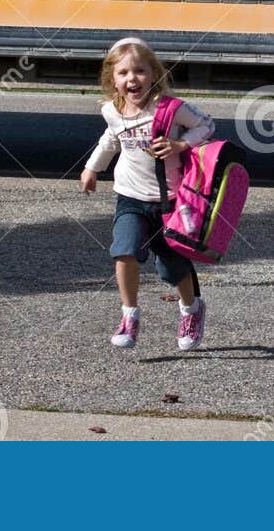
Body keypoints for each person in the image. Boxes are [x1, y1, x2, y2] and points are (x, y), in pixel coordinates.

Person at [80, 36, 216, 351]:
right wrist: (91, 169)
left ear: (153, 73)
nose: (132, 79)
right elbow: (109, 141)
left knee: (171, 269)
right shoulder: (112, 112)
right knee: (124, 250)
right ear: (112, 79)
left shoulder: (171, 108)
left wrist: (181, 144)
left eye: (139, 71)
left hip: (170, 201)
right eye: (124, 73)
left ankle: (191, 308)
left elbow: (206, 125)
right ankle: (129, 315)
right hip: (130, 196)